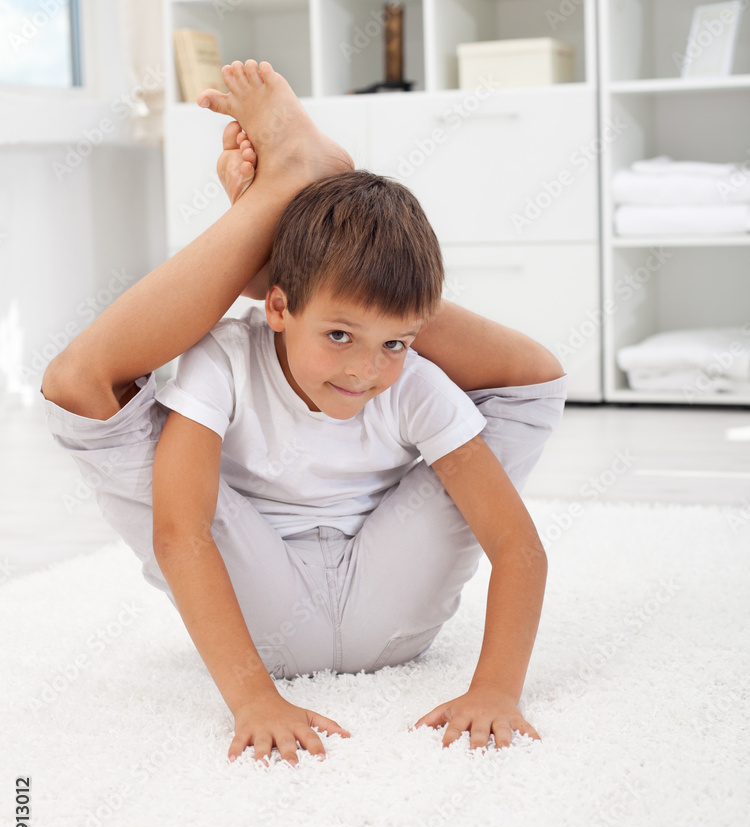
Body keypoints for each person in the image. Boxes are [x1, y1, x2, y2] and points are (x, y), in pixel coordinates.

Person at [41, 59, 567, 769]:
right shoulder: (224, 358)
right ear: (279, 312)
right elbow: (179, 530)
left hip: (393, 611)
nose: (364, 370)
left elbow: (519, 546)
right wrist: (253, 698)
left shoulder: (412, 380)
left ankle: (273, 224)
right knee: (78, 387)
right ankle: (285, 213)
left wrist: (499, 690)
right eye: (340, 335)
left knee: (526, 385)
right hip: (258, 612)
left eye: (395, 343)